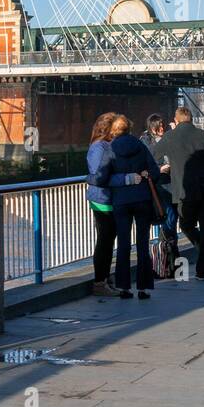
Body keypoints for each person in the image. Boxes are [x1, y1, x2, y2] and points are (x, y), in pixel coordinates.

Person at [155, 106, 204, 280]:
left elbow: (153, 156)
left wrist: (164, 169)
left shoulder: (169, 137)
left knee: (186, 226)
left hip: (184, 190)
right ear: (192, 119)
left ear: (176, 120)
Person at [93, 114, 160, 299]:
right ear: (129, 128)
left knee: (123, 245)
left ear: (114, 130)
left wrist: (89, 178)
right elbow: (154, 172)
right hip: (142, 200)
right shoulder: (140, 145)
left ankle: (124, 287)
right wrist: (145, 174)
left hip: (121, 202)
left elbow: (101, 178)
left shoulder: (110, 149)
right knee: (143, 244)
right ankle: (144, 288)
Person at [85, 112, 120, 296]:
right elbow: (99, 177)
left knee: (108, 240)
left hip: (109, 198)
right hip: (102, 199)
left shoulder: (105, 145)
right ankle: (100, 282)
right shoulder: (99, 147)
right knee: (104, 241)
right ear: (108, 128)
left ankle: (105, 278)